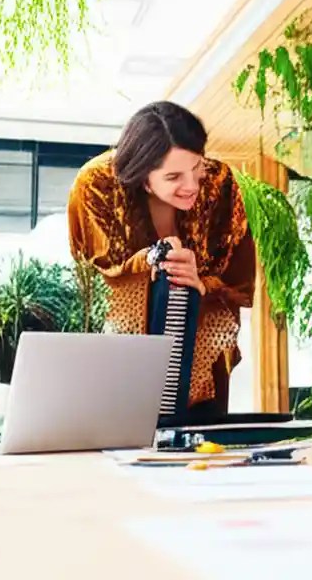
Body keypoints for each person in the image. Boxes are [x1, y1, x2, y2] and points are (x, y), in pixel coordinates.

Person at [67, 101, 256, 419]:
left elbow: (239, 279)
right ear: (143, 179)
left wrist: (202, 284)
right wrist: (149, 264)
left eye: (197, 168)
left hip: (203, 351)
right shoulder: (96, 186)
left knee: (200, 450)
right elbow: (94, 285)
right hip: (121, 358)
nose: (192, 186)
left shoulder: (220, 183)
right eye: (174, 177)